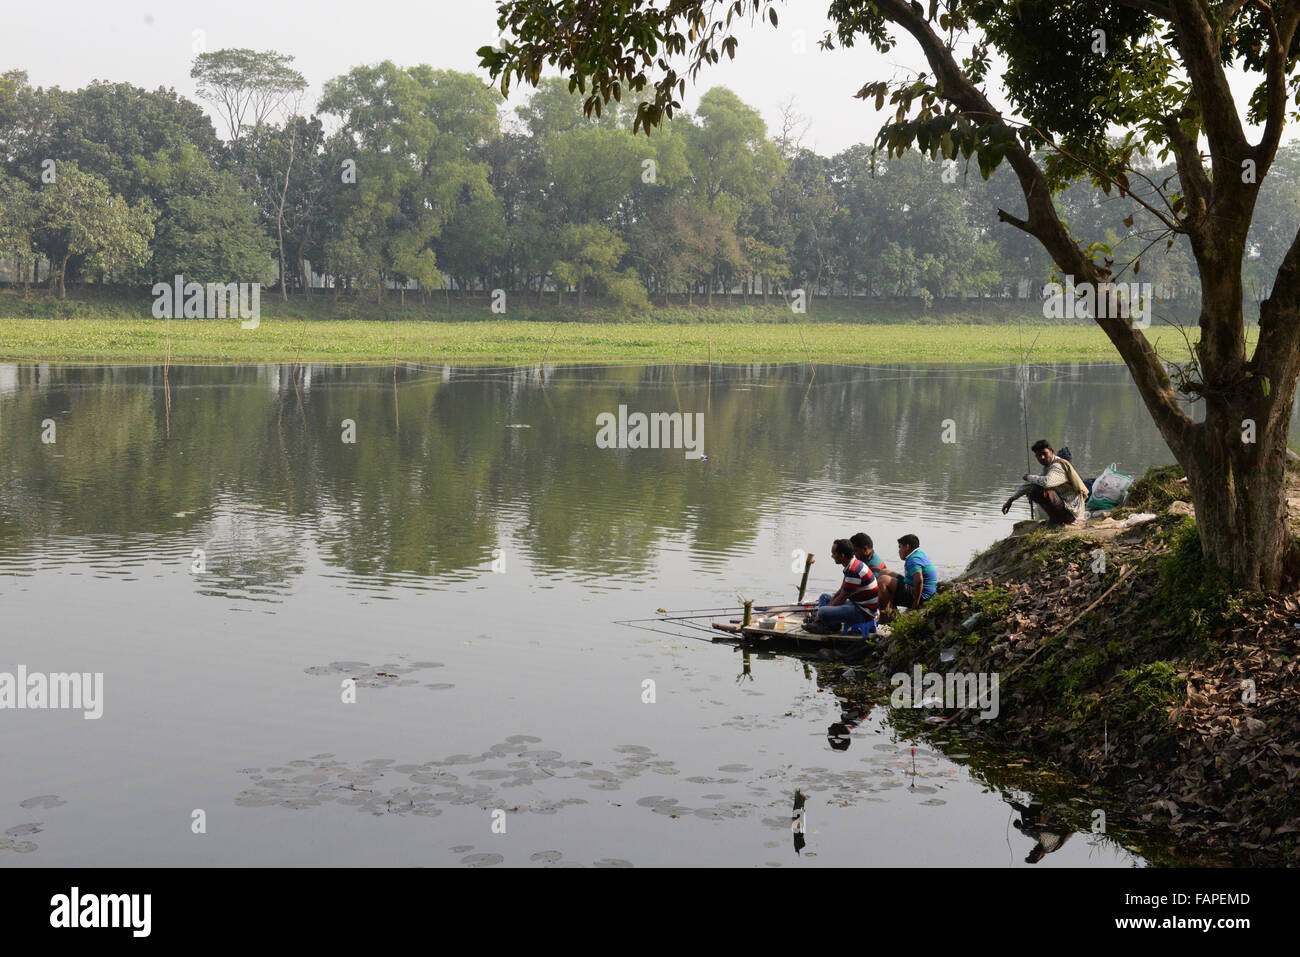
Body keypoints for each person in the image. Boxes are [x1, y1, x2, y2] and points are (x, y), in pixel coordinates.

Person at [1002, 439, 1088, 525]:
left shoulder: (1058, 466)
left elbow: (1046, 482)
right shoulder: (1049, 467)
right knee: (1035, 486)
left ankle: (1057, 520)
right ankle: (1055, 519)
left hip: (1072, 513)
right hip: (1067, 508)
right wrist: (1011, 500)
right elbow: (1030, 484)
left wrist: (1028, 477)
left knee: (1037, 490)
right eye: (1038, 455)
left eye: (1044, 454)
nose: (1042, 457)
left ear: (1052, 452)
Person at [804, 538, 878, 634]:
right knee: (824, 597)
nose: (832, 556)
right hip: (856, 604)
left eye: (834, 554)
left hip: (863, 612)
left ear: (842, 556)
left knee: (822, 611)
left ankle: (822, 624)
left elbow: (841, 599)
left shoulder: (853, 571)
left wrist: (820, 616)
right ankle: (829, 624)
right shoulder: (853, 564)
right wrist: (829, 606)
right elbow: (841, 591)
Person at [878, 534, 937, 612]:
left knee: (883, 580)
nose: (899, 551)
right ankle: (892, 610)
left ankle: (885, 616)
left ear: (907, 547)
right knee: (884, 572)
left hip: (923, 597)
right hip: (916, 587)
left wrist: (915, 605)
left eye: (900, 547)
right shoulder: (918, 553)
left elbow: (919, 580)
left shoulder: (913, 559)